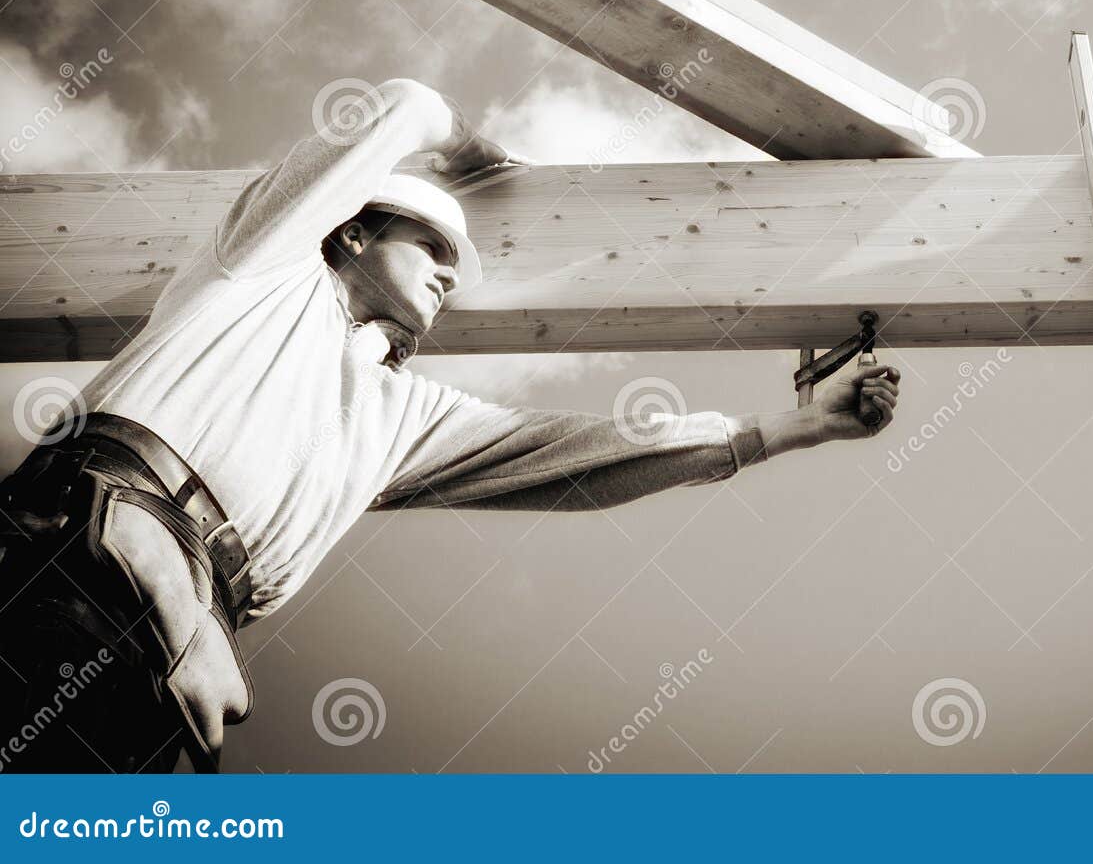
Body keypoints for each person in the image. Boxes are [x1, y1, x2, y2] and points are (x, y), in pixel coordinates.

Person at [0, 78, 900, 773]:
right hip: (73, 554)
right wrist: (468, 150)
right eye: (432, 245)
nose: (451, 274)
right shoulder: (261, 269)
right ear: (351, 232)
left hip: (177, 661)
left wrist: (794, 428)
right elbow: (406, 104)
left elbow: (577, 458)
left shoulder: (397, 417)